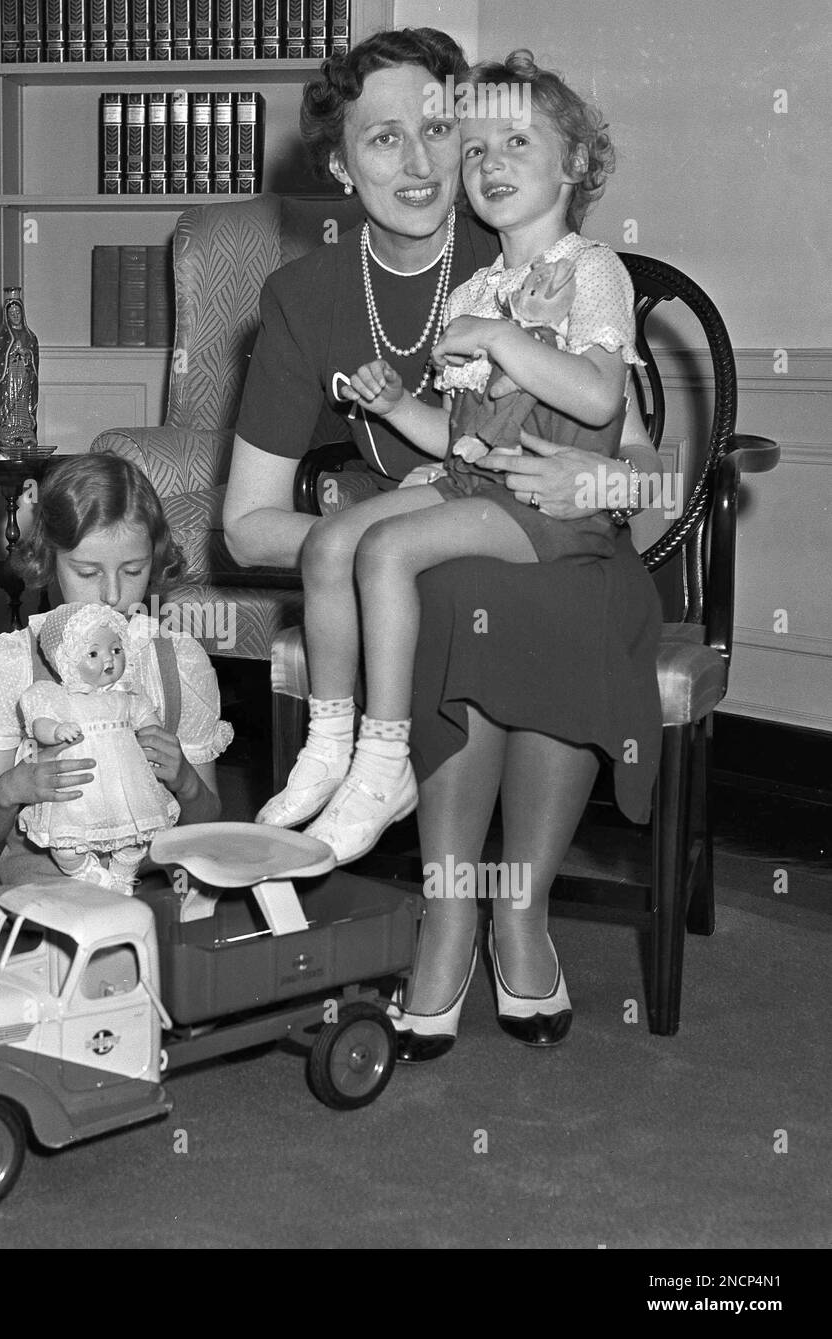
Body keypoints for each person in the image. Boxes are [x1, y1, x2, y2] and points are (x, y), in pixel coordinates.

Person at [223, 29, 664, 1059]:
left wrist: (595, 477)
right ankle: (450, 903)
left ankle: (519, 904)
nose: (424, 166)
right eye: (385, 140)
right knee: (436, 579)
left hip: (561, 541)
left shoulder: (525, 246)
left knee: (501, 591)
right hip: (430, 528)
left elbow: (647, 470)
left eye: (440, 131)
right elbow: (245, 523)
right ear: (339, 163)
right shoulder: (305, 297)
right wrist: (376, 521)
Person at [263, 50, 642, 871]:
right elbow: (461, 427)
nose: (482, 163)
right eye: (477, 149)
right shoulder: (475, 292)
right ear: (341, 163)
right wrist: (398, 408)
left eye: (510, 143)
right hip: (475, 482)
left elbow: (603, 402)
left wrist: (511, 343)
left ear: (573, 163)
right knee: (333, 542)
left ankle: (387, 753)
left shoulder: (594, 272)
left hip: (548, 511)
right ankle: (330, 744)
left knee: (390, 548)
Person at [0, 453, 231, 919]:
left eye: (133, 571)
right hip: (49, 881)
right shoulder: (12, 663)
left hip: (156, 878)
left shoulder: (177, 659)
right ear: (49, 559)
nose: (112, 594)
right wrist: (12, 789)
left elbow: (207, 823)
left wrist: (187, 782)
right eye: (88, 573)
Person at [16, 602, 181, 893]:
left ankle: (123, 872)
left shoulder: (128, 696)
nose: (109, 659)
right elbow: (39, 723)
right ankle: (87, 873)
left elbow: (149, 722)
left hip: (125, 783)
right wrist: (56, 731)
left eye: (116, 650)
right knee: (67, 846)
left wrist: (156, 739)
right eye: (93, 653)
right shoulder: (59, 697)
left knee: (136, 838)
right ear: (67, 661)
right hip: (81, 789)